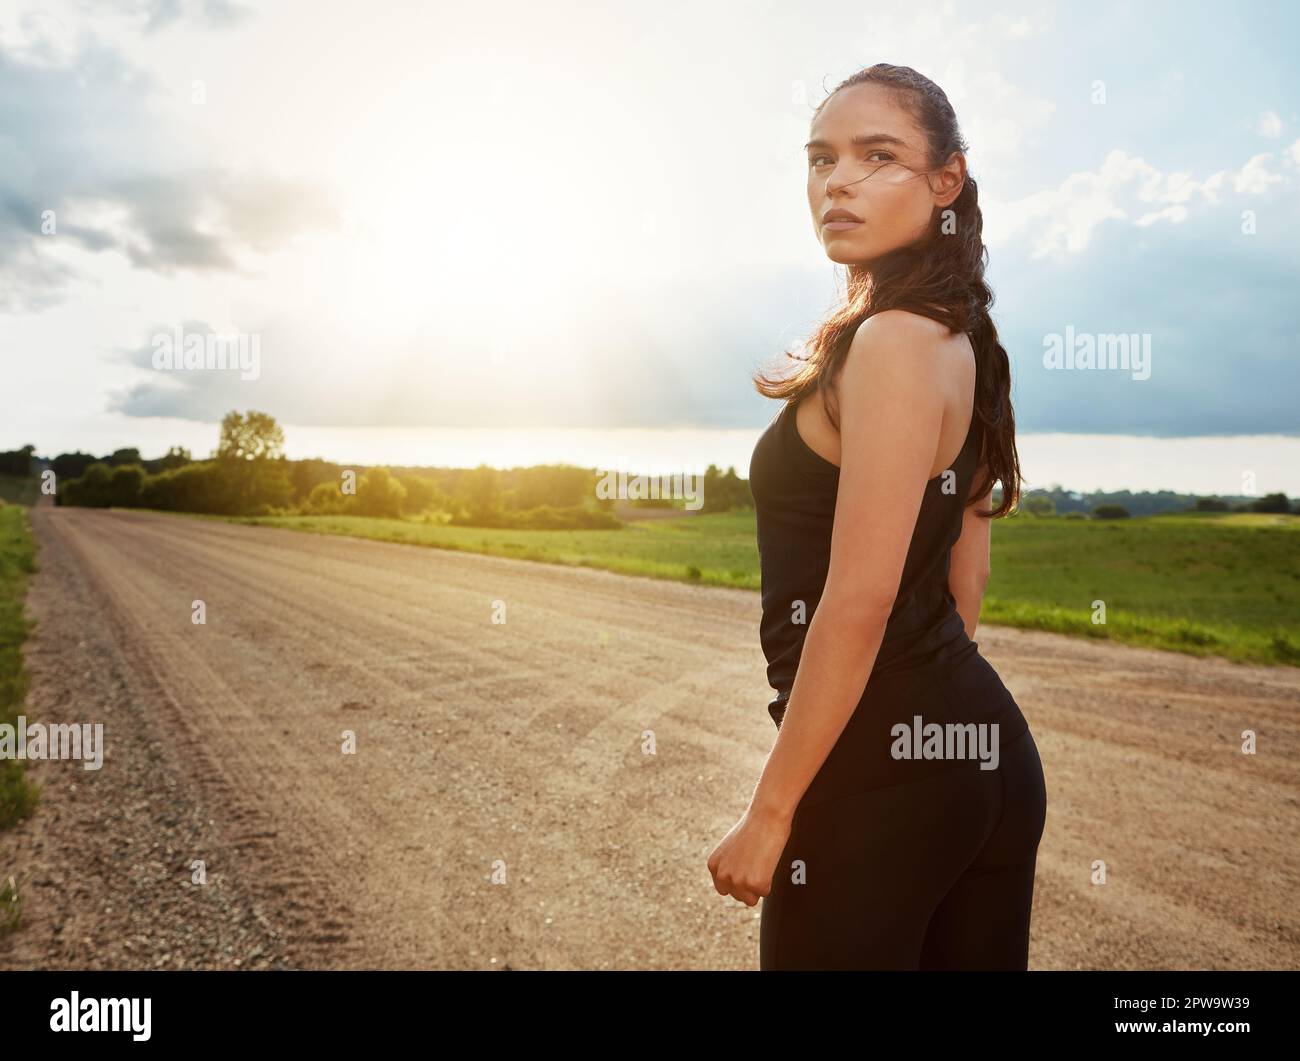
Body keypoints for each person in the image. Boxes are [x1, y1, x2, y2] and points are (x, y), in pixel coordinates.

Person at [706, 63, 1048, 970]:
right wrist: (938, 738)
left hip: (878, 775)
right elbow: (961, 587)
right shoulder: (965, 341)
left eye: (877, 155)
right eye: (821, 158)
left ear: (948, 180)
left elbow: (856, 597)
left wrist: (773, 810)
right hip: (986, 755)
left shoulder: (892, 342)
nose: (837, 181)